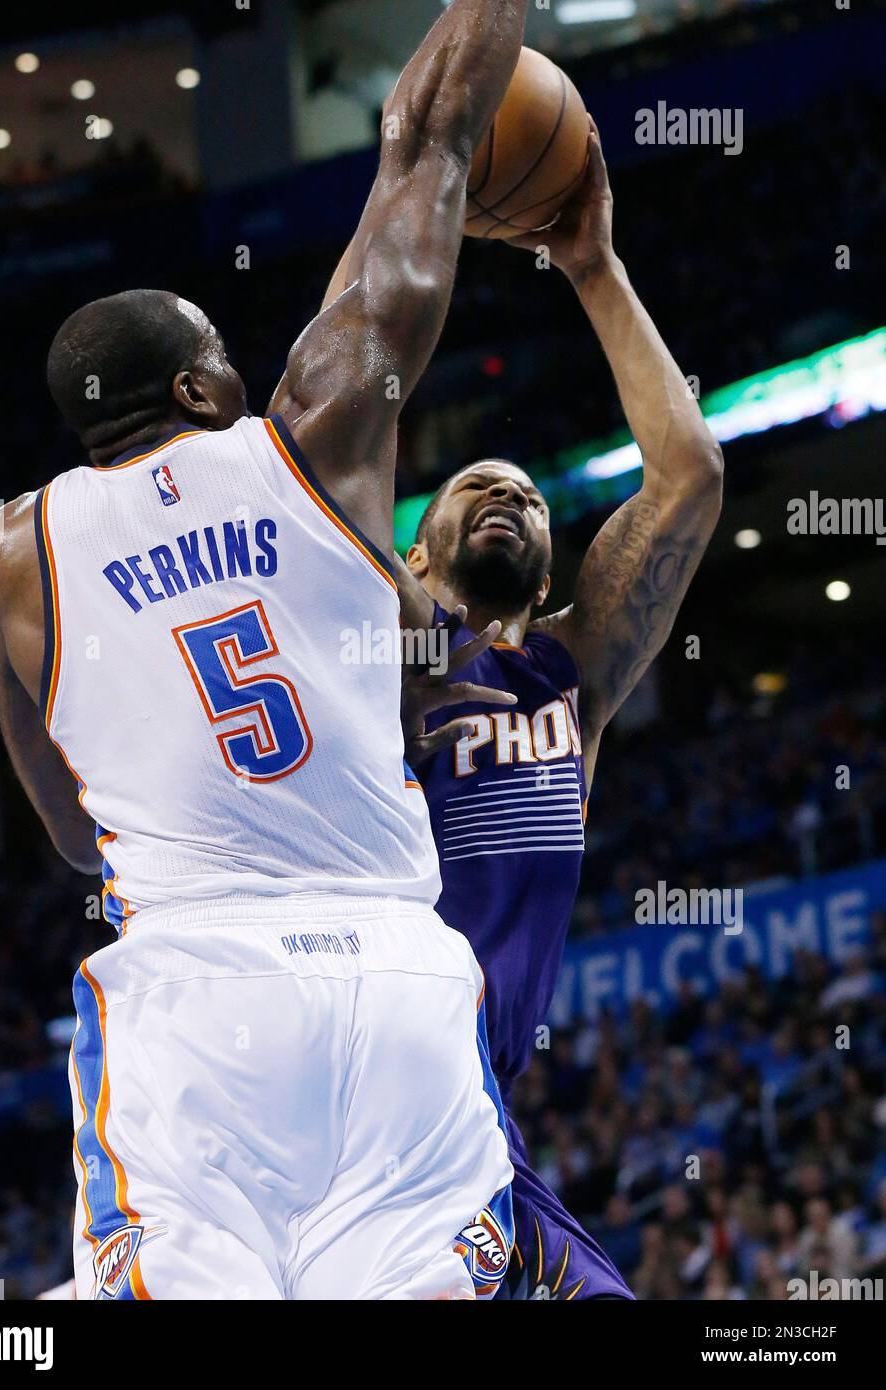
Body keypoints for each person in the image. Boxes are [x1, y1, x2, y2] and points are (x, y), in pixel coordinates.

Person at [0, 0, 535, 1301]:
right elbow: (427, 135)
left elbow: (73, 833)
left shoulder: (19, 553)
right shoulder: (316, 435)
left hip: (194, 994)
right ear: (194, 390)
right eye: (221, 356)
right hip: (392, 972)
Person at [396, 123, 724, 1297]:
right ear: (419, 559)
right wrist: (420, 192)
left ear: (547, 573)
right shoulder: (394, 648)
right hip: (378, 1047)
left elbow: (688, 476)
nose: (507, 494)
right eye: (475, 490)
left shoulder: (572, 680)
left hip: (463, 1097)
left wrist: (593, 265)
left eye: (529, 498)